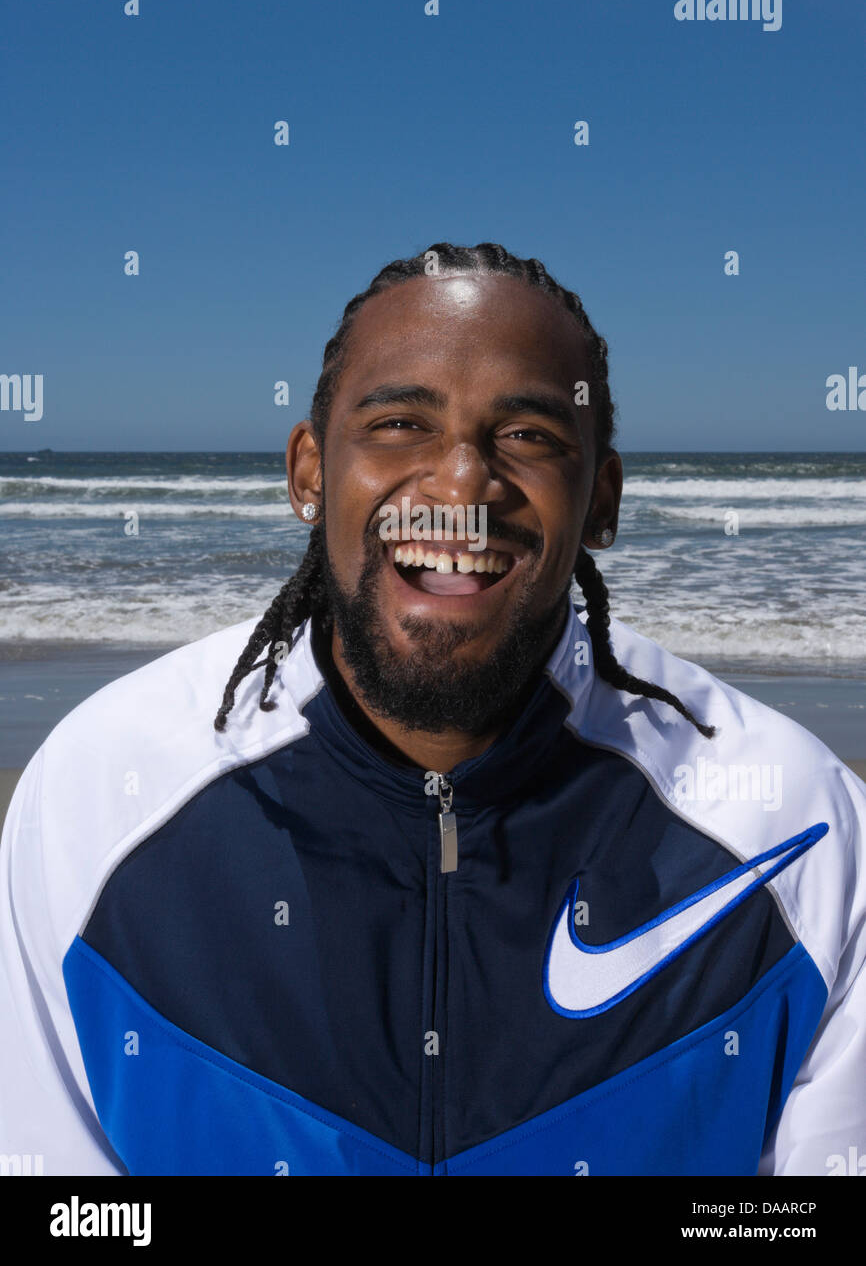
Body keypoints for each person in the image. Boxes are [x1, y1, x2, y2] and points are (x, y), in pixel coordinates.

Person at [1, 242, 863, 1176]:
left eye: (529, 435)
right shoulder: (99, 801)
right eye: (401, 423)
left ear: (601, 500)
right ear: (309, 473)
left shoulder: (792, 829)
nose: (460, 485)